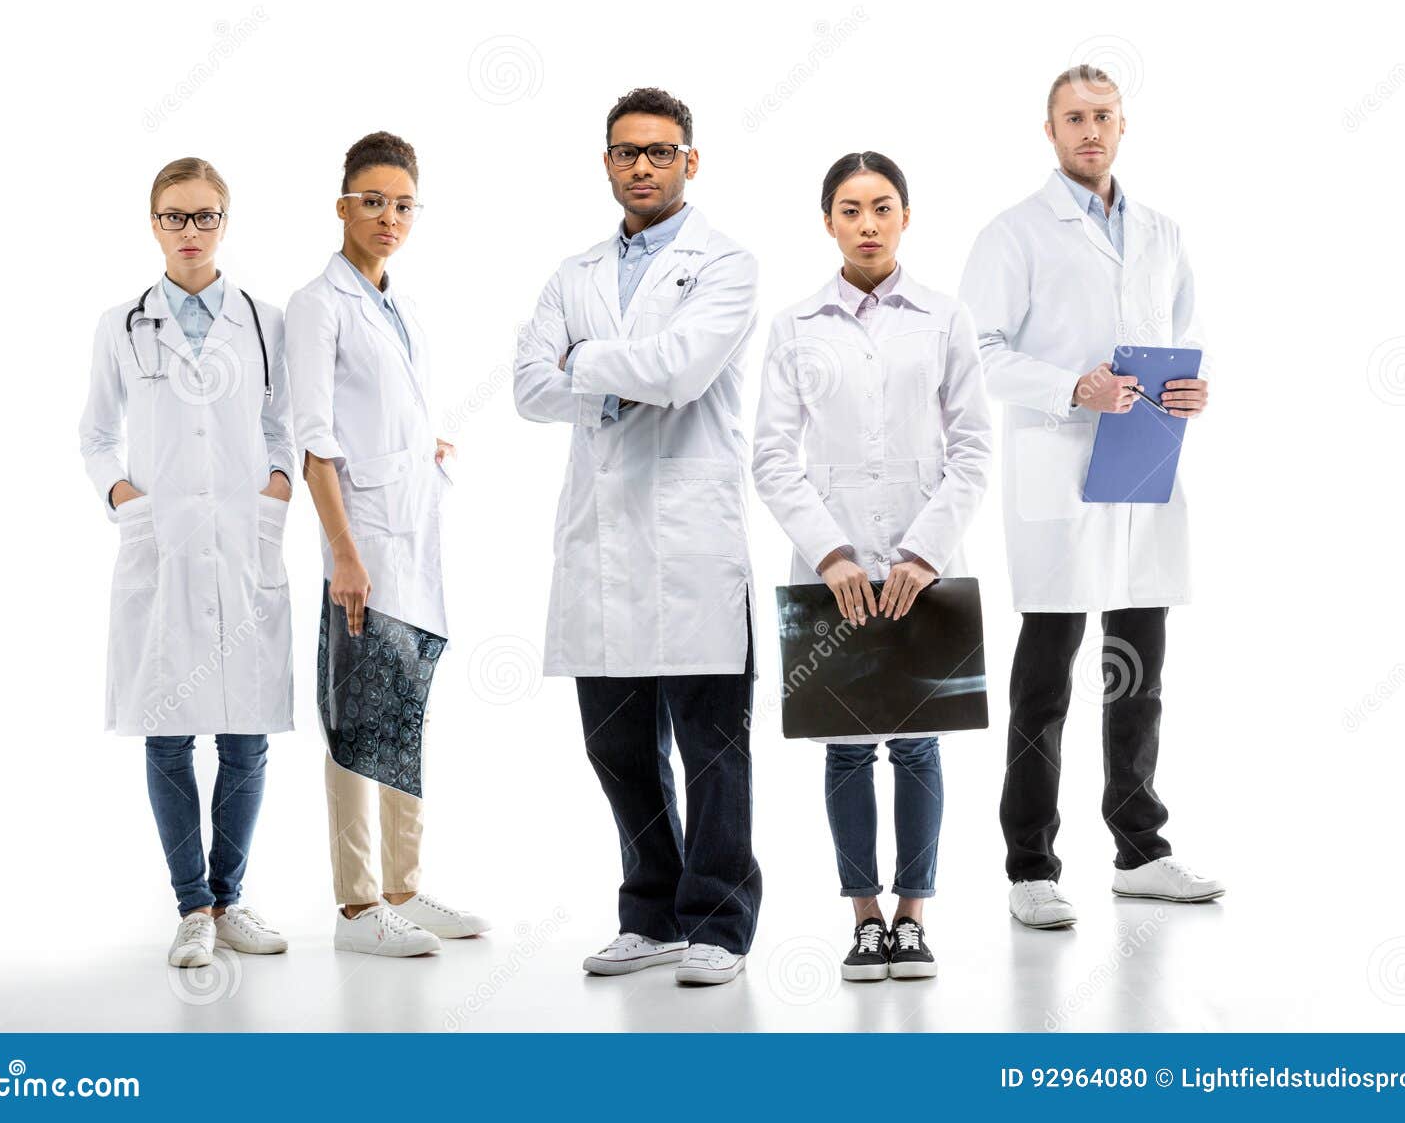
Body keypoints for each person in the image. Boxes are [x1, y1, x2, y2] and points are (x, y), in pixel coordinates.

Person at [958, 65, 1223, 930]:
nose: (1090, 131)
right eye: (1073, 118)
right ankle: (1030, 863)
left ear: (1122, 125)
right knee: (1047, 677)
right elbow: (981, 354)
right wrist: (1072, 387)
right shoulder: (1014, 233)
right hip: (1060, 471)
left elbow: (1182, 337)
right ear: (1049, 130)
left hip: (1144, 465)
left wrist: (1194, 386)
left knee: (1137, 670)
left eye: (1103, 116)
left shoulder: (1161, 230)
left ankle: (1140, 847)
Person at [513, 88, 762, 985]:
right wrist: (619, 379)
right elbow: (525, 387)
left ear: (690, 161)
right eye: (627, 152)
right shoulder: (571, 274)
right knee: (616, 744)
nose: (643, 166)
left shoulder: (726, 263)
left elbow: (686, 367)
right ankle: (651, 912)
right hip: (601, 541)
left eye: (661, 151)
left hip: (693, 543)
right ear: (607, 163)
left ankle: (721, 922)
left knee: (712, 747)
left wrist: (583, 366)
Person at [753, 152, 991, 981]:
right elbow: (774, 457)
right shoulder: (795, 325)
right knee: (847, 747)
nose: (866, 223)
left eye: (881, 207)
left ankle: (913, 915)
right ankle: (863, 918)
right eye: (849, 210)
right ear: (827, 223)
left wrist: (923, 551)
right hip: (834, 572)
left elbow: (972, 449)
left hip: (924, 564)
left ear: (906, 217)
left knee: (921, 742)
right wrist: (832, 552)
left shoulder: (944, 317)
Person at [79, 157, 294, 968]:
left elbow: (288, 423)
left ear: (226, 222)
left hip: (244, 543)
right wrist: (127, 501)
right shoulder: (120, 324)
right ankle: (192, 906)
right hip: (161, 546)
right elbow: (95, 434)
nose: (191, 231)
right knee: (169, 734)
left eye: (205, 216)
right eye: (175, 216)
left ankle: (231, 898)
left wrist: (275, 489)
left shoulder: (267, 321)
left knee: (245, 736)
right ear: (153, 223)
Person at [286, 131, 490, 958]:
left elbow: (383, 415)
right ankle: (357, 903)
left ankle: (404, 886)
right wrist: (342, 548)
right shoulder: (317, 303)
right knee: (357, 717)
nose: (389, 216)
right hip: (363, 543)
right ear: (342, 206)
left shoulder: (396, 304)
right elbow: (313, 439)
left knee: (407, 712)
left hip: (412, 536)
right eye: (373, 201)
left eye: (403, 204)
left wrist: (421, 450)